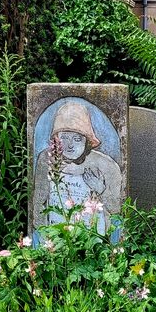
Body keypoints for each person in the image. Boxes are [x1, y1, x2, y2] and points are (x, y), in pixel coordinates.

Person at [32, 100, 122, 233]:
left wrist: (101, 189)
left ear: (87, 141)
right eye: (65, 138)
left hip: (94, 239)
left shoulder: (106, 165)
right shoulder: (46, 159)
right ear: (56, 139)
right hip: (57, 237)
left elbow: (117, 210)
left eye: (77, 139)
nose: (70, 145)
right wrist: (45, 239)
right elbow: (39, 203)